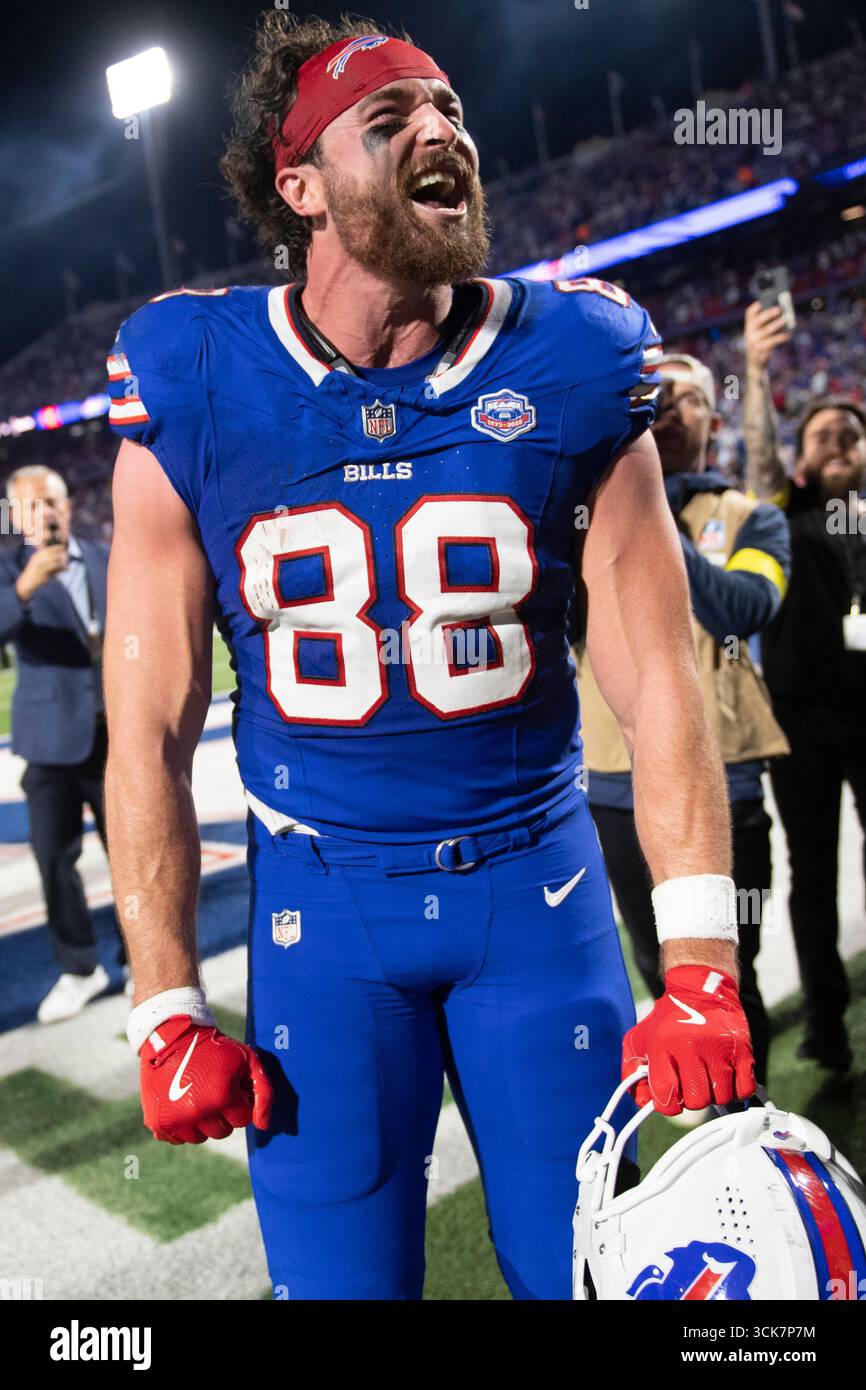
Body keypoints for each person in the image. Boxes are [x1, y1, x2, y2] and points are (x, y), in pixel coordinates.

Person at [104, 12, 754, 1302]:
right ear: (300, 190)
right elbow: (151, 726)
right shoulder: (196, 370)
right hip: (320, 912)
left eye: (447, 107)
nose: (442, 130)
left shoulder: (573, 357)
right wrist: (163, 1004)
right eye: (388, 120)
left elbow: (657, 677)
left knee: (580, 1277)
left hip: (538, 896)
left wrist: (698, 962)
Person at [575, 354, 791, 1087]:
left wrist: (649, 520)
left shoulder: (752, 516)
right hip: (612, 780)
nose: (666, 407)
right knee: (653, 964)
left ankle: (746, 1126)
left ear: (715, 420)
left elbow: (746, 607)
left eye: (687, 398)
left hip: (723, 776)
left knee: (728, 974)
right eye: (653, 396)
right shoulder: (591, 521)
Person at [744, 299, 866, 1071]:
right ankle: (827, 1023)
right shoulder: (785, 510)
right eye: (823, 435)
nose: (839, 442)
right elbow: (758, 463)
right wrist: (755, 371)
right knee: (812, 874)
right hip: (802, 720)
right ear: (801, 454)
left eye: (851, 433)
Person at [0, 465, 114, 1021]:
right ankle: (79, 968)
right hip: (48, 741)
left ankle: (146, 960)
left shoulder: (102, 554)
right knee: (53, 861)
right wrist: (23, 589)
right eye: (31, 505)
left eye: (52, 501)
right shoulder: (8, 568)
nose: (45, 513)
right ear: (15, 515)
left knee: (136, 856)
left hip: (114, 734)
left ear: (69, 504)